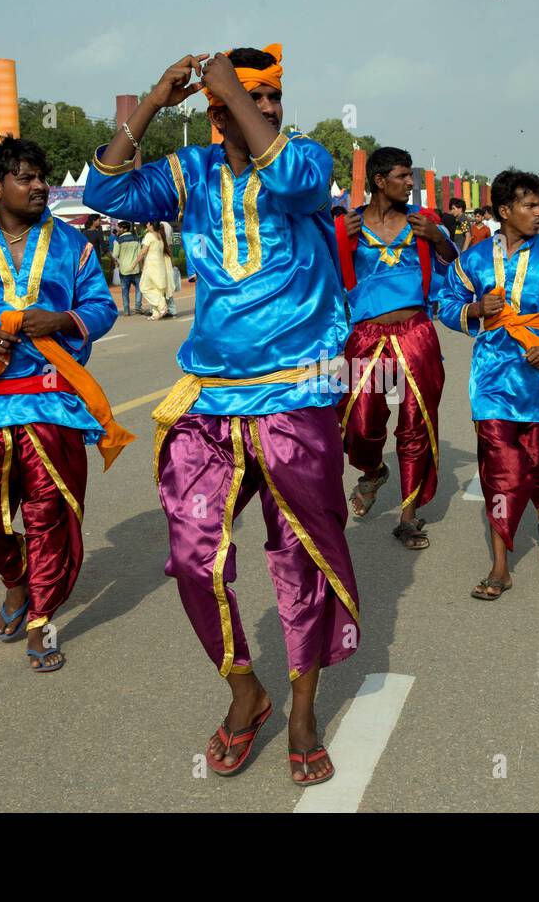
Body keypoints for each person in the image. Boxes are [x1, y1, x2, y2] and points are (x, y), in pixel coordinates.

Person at [84, 45, 359, 786]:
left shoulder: (304, 164)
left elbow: (296, 178)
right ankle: (248, 692)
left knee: (305, 562)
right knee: (191, 557)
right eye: (249, 98)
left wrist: (232, 88)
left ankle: (304, 712)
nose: (265, 108)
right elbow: (103, 195)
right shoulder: (190, 174)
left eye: (271, 97)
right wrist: (152, 98)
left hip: (297, 394)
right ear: (212, 113)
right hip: (209, 398)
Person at [0, 136, 130, 673]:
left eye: (41, 177)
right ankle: (15, 578)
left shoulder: (72, 244)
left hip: (50, 396)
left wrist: (61, 321)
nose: (40, 186)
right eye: (25, 177)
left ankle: (41, 620)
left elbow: (101, 307)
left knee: (48, 516)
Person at [437, 168, 539, 599]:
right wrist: (473, 309)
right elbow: (444, 302)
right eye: (530, 206)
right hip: (491, 377)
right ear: (505, 210)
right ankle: (500, 564)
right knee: (499, 469)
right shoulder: (472, 258)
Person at [337, 146, 457, 549]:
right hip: (365, 336)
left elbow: (454, 273)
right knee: (360, 421)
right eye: (403, 176)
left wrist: (440, 240)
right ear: (379, 180)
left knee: (416, 420)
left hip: (416, 331)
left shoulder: (422, 225)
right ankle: (372, 471)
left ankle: (408, 515)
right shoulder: (346, 226)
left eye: (411, 176)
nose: (410, 183)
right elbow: (325, 279)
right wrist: (339, 242)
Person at [136, 221, 174, 319]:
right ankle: (156, 313)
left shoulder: (149, 236)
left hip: (151, 265)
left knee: (144, 287)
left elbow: (143, 252)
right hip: (160, 266)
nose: (146, 225)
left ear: (152, 226)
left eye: (148, 224)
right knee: (157, 288)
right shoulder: (161, 236)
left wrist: (134, 264)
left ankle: (162, 305)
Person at [111, 221, 144, 316]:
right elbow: (140, 254)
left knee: (125, 291)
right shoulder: (136, 239)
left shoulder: (118, 240)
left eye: (119, 228)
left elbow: (115, 255)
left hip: (124, 269)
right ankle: (138, 306)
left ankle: (126, 310)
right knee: (139, 288)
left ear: (124, 229)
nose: (118, 230)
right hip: (136, 268)